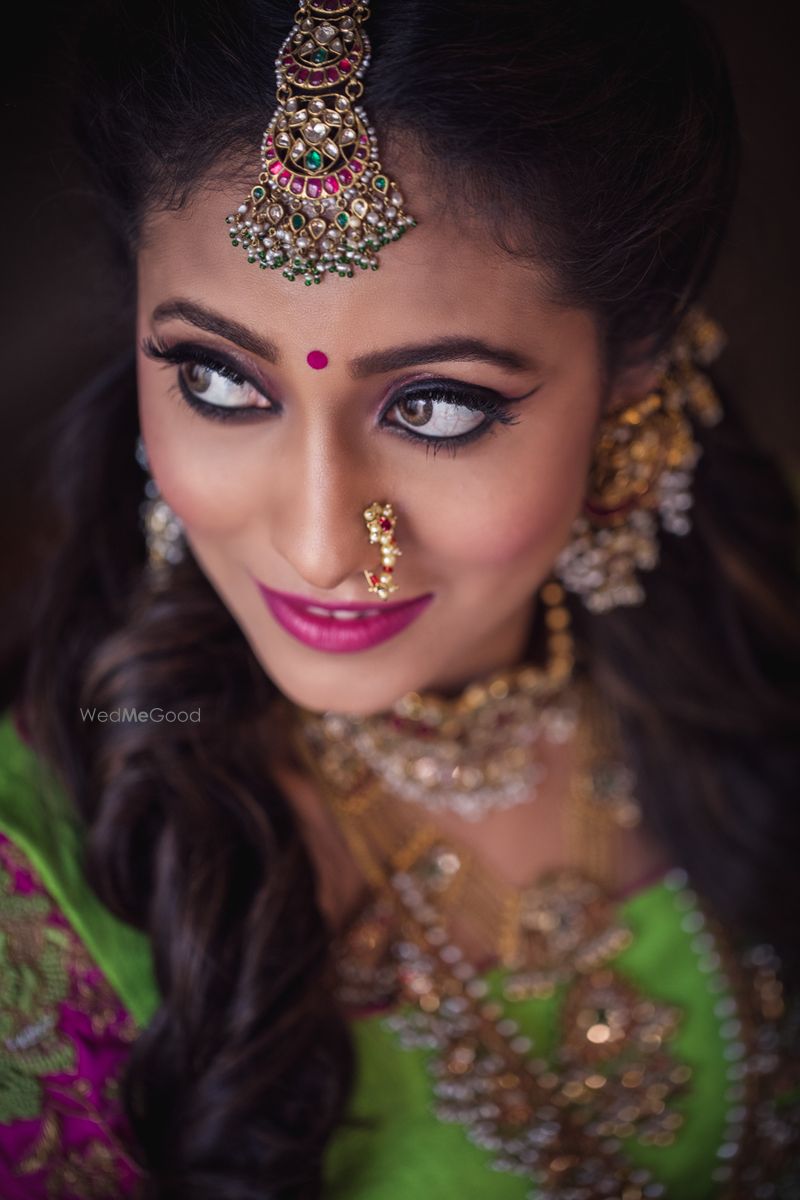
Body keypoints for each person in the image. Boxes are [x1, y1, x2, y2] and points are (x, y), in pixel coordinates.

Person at [1, 0, 799, 1196]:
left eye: (434, 406)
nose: (324, 549)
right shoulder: (40, 878)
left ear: (631, 373)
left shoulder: (762, 668)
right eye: (220, 379)